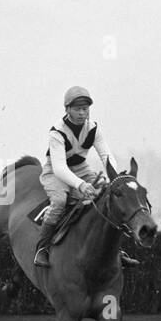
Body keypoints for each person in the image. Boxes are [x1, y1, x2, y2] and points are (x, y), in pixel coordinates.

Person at [35, 86, 138, 268]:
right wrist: (81, 185)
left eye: (85, 109)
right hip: (56, 171)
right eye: (77, 109)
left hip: (80, 168)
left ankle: (116, 251)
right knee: (60, 201)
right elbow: (60, 168)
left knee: (108, 197)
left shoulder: (94, 129)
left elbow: (106, 156)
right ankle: (42, 249)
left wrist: (113, 179)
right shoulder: (57, 132)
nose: (82, 113)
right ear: (67, 109)